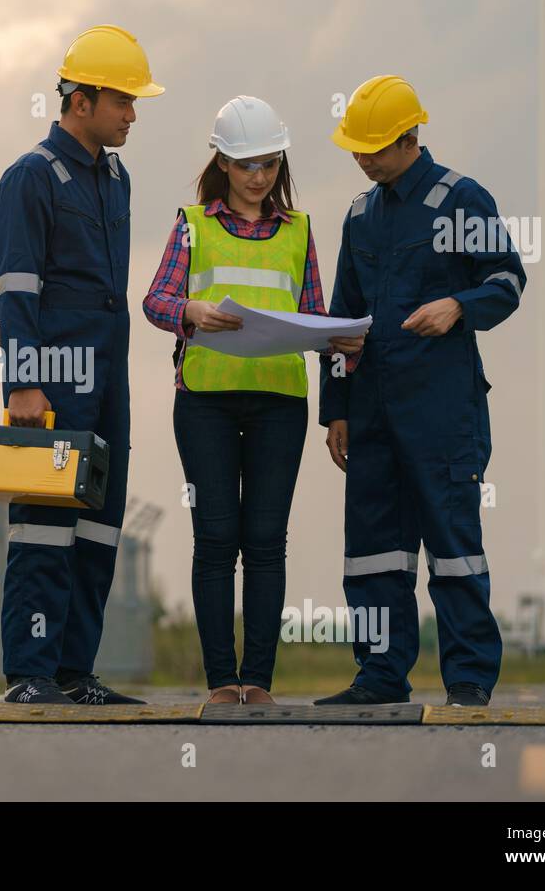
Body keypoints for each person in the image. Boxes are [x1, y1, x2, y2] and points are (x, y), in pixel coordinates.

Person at [141, 97, 363, 705]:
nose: (258, 176)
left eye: (268, 164)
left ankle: (258, 682)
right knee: (216, 538)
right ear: (223, 164)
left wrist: (336, 337)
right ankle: (220, 682)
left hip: (278, 401)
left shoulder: (301, 230)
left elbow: (314, 314)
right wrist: (189, 310)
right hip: (206, 400)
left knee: (266, 541)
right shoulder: (192, 223)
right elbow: (156, 301)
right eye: (244, 165)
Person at [314, 75, 527, 707]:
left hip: (441, 410)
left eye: (373, 145)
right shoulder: (358, 214)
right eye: (355, 146)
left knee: (453, 547)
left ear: (411, 137)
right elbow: (339, 322)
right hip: (371, 411)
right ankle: (380, 678)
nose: (361, 157)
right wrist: (335, 411)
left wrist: (459, 306)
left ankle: (467, 682)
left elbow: (509, 280)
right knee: (374, 553)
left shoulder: (461, 200)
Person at [0, 25, 164, 705]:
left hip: (108, 379)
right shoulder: (31, 177)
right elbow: (18, 287)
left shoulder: (116, 178)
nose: (132, 115)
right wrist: (24, 380)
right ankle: (30, 673)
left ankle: (72, 671)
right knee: (43, 527)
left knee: (97, 527)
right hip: (53, 382)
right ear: (81, 100)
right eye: (122, 101)